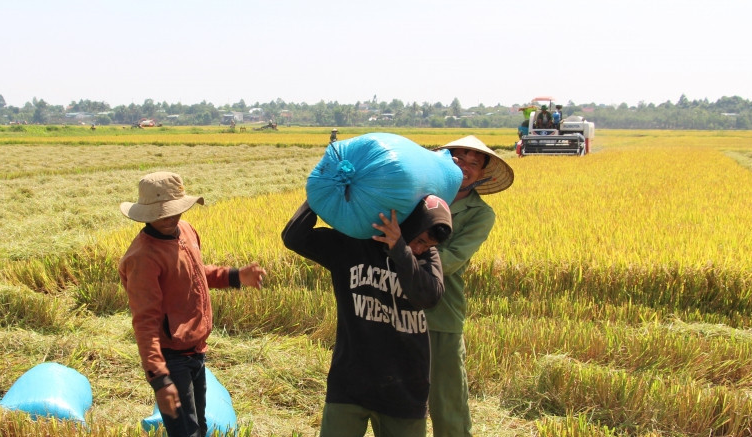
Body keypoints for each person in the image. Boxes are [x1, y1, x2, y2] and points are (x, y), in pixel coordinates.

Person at [282, 195, 452, 437]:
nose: (420, 248)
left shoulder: (424, 258)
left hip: (405, 385)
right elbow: (294, 237)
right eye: (419, 240)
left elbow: (429, 296)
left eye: (428, 245)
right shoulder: (354, 244)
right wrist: (323, 193)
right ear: (407, 223)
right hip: (351, 378)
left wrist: (401, 250)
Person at [118, 171, 266, 437]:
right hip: (171, 357)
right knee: (187, 433)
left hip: (196, 350)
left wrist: (235, 276)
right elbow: (145, 323)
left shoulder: (185, 231)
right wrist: (160, 379)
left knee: (199, 426)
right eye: (160, 213)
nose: (169, 218)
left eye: (174, 210)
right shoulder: (143, 259)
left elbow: (196, 274)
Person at [426, 136, 514, 437]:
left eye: (474, 163)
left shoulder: (480, 214)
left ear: (482, 174)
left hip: (441, 311)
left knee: (447, 397)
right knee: (393, 391)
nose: (464, 166)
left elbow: (451, 260)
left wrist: (401, 251)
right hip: (393, 306)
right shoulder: (418, 196)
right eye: (458, 159)